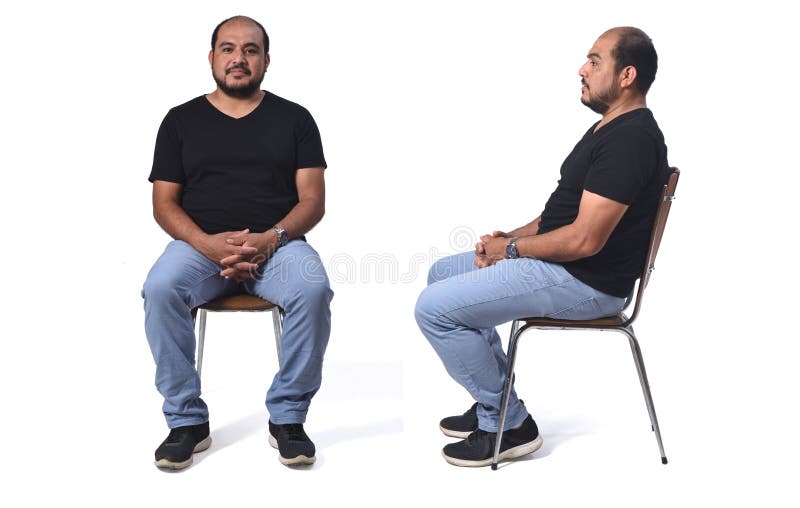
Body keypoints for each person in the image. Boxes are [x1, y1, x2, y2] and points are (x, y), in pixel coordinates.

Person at [414, 27, 670, 467]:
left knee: (434, 309)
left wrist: (512, 253)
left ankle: (509, 423)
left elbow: (585, 239)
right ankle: (494, 400)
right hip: (565, 267)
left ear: (627, 75)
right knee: (442, 274)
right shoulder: (607, 130)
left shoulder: (632, 139)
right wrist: (506, 240)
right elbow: (560, 217)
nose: (581, 70)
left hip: (586, 281)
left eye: (594, 61)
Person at [142, 15, 332, 470]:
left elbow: (313, 201)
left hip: (279, 246)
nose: (238, 59)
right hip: (198, 247)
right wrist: (207, 244)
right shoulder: (180, 120)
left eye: (250, 50)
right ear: (212, 58)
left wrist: (271, 239)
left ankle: (287, 417)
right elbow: (163, 204)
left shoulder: (296, 119)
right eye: (228, 49)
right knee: (161, 288)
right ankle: (186, 421)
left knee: (313, 289)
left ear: (266, 60)